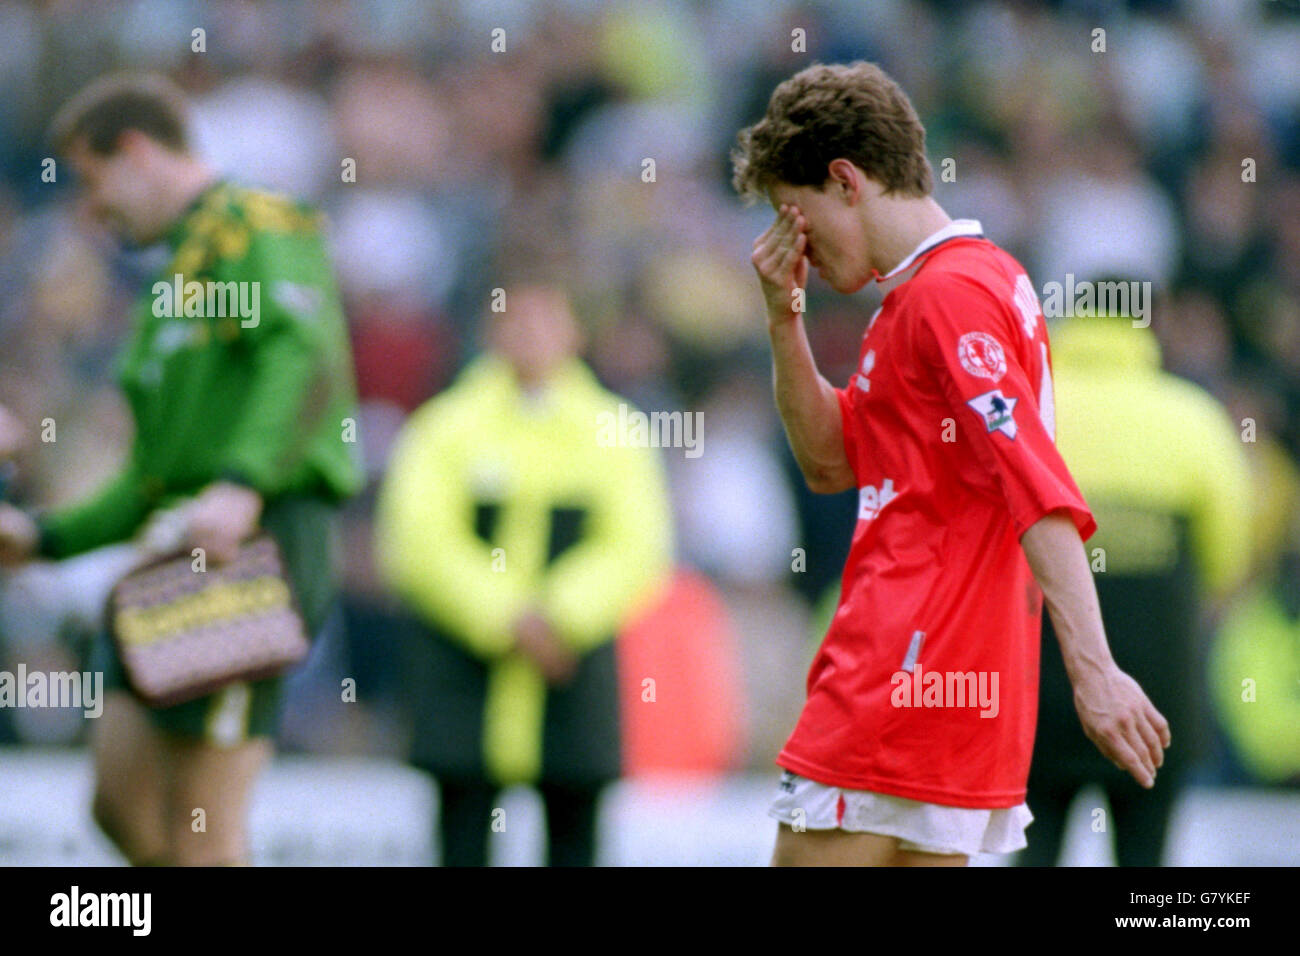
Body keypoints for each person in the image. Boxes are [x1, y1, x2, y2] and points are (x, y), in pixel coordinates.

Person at [731, 61, 1170, 867]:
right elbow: (832, 464)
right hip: (963, 694)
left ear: (846, 179)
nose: (800, 246)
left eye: (797, 216)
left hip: (890, 683)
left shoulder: (946, 299)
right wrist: (783, 320)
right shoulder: (968, 284)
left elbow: (1036, 486)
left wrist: (1096, 669)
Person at [0, 73, 363, 865]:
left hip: (251, 545)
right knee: (124, 808)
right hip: (175, 547)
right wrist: (43, 537)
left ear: (133, 151)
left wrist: (241, 485)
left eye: (92, 182)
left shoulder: (257, 225)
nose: (92, 211)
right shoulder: (172, 283)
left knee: (201, 829)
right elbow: (149, 480)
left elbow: (302, 358)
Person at [373, 280, 672, 866]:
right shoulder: (445, 427)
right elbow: (417, 541)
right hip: (464, 671)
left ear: (575, 331)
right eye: (516, 319)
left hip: (572, 667)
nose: (530, 334)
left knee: (574, 833)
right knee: (460, 833)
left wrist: (560, 617)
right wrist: (508, 619)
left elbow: (637, 546)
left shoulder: (615, 430)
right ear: (491, 331)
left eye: (546, 318)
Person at [1019, 298, 1252, 866]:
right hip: (1157, 685)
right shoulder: (1193, 416)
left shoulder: (1032, 410)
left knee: (1034, 846)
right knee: (1147, 868)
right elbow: (1229, 552)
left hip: (1042, 683)